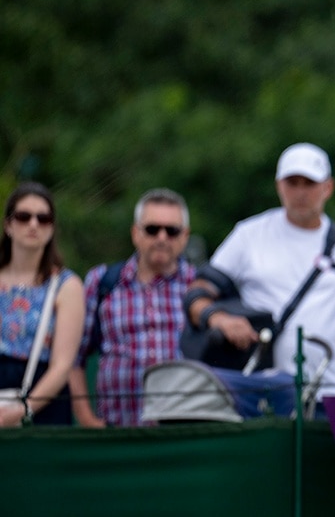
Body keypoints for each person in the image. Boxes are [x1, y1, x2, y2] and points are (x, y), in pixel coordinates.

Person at [184, 143, 335, 404]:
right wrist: (218, 318)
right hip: (261, 397)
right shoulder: (248, 235)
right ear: (279, 185)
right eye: (293, 183)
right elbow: (196, 294)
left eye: (309, 183)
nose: (300, 192)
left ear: (328, 187)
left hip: (334, 396)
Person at [69, 188, 197, 427]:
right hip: (117, 434)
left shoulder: (199, 287)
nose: (161, 238)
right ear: (135, 233)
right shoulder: (102, 282)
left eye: (172, 231)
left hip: (184, 434)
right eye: (152, 229)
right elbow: (75, 357)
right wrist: (87, 419)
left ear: (185, 236)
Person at [0, 182, 85, 427]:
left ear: (52, 228)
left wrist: (24, 409)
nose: (33, 224)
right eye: (23, 217)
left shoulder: (66, 285)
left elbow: (62, 365)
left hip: (44, 401)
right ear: (8, 225)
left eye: (43, 218)